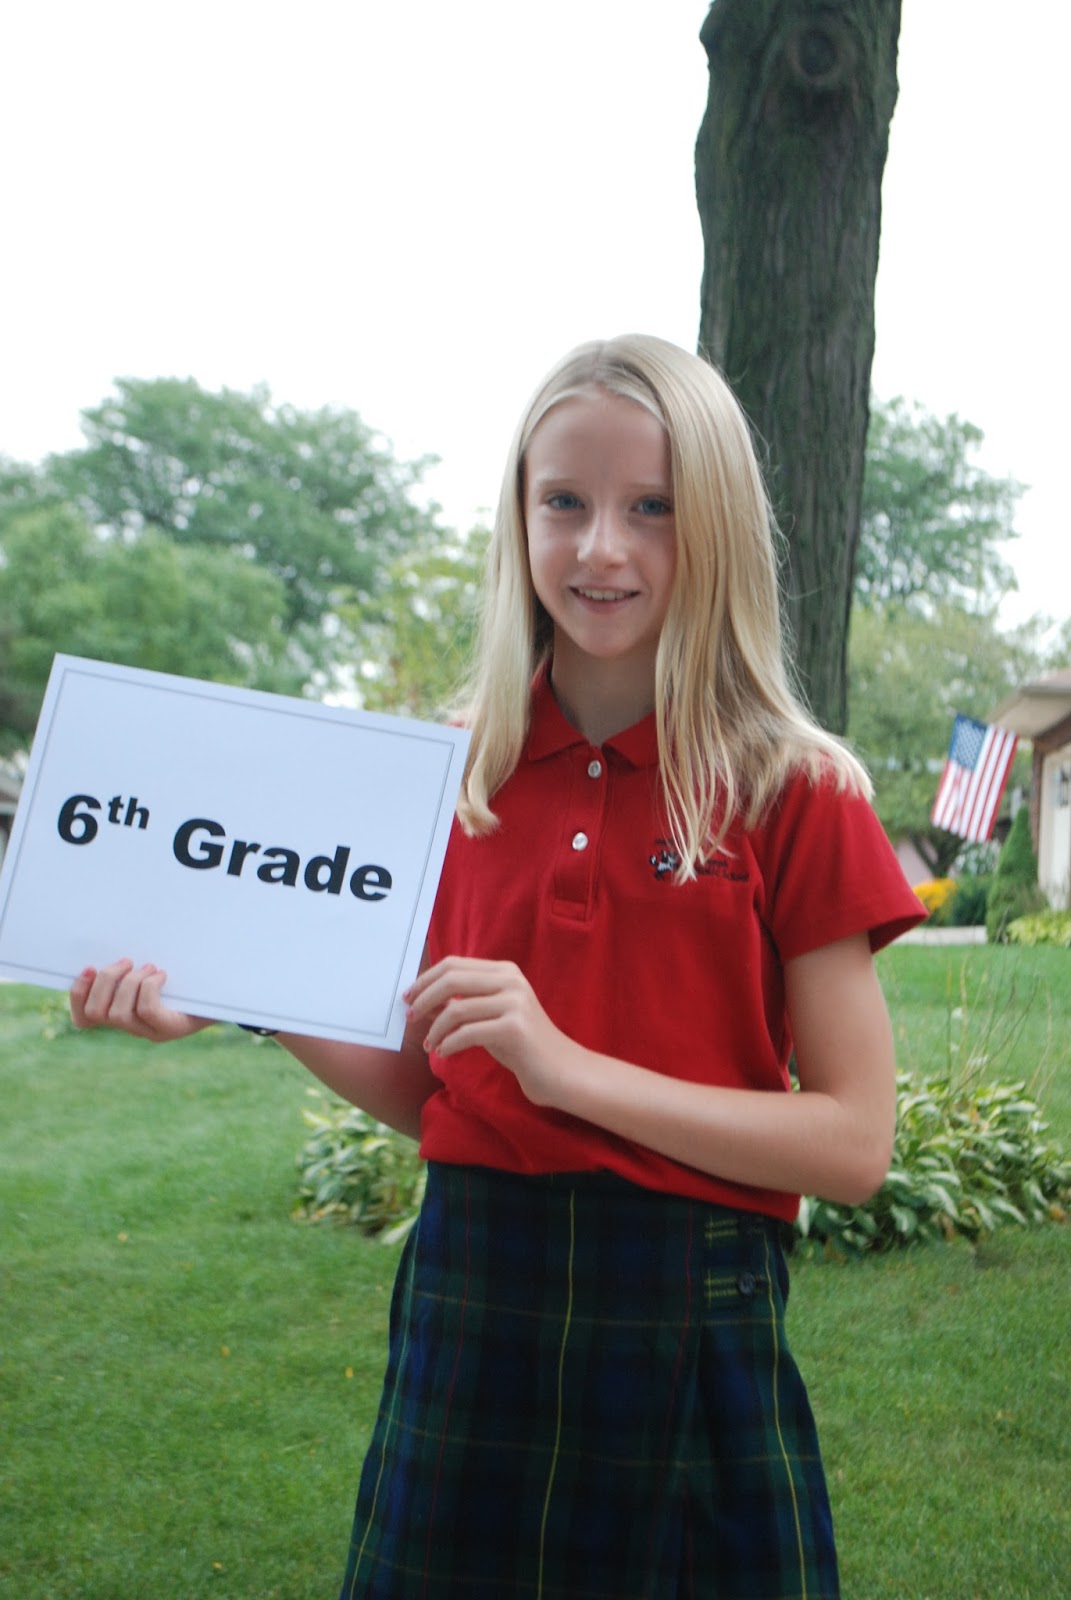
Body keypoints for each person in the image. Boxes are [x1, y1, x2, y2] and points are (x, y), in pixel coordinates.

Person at [71, 334, 926, 1600]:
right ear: (516, 516)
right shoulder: (445, 778)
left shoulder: (792, 792)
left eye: (653, 509)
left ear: (723, 529)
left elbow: (855, 1145)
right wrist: (240, 992)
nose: (600, 549)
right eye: (563, 503)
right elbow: (438, 1097)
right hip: (473, 1297)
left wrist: (570, 1070)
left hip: (692, 1314)